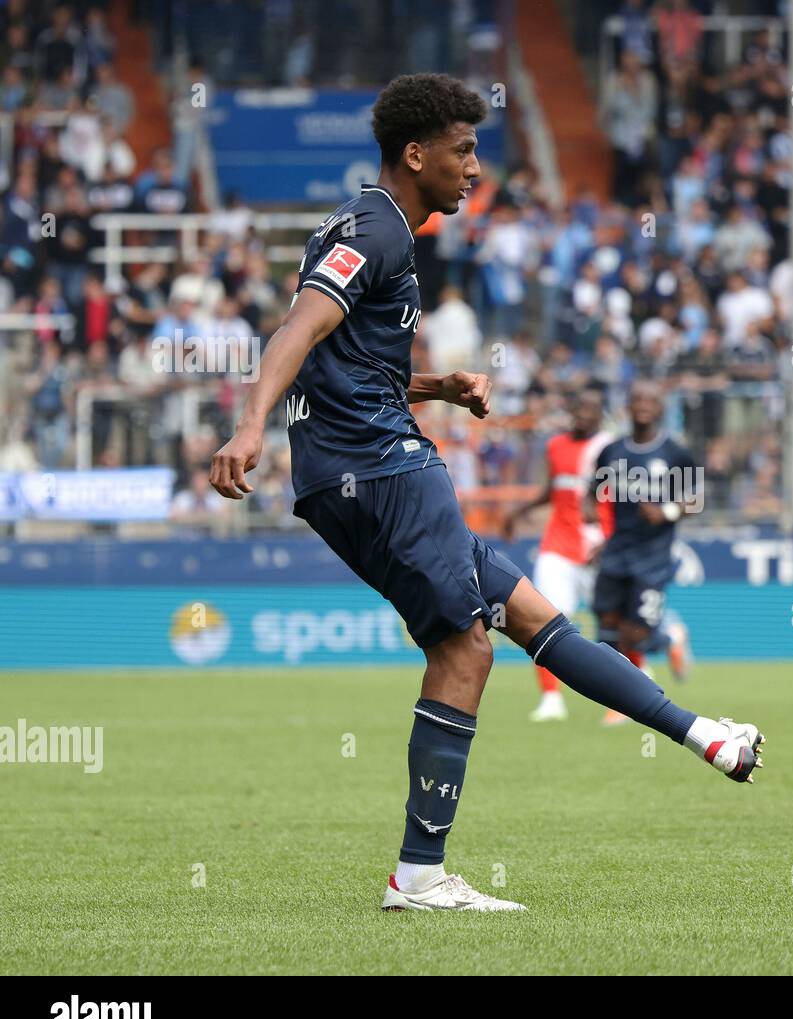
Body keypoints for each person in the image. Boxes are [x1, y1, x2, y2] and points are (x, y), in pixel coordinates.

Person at [209, 74, 765, 915]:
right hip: (381, 466)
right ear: (415, 152)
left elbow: (349, 358)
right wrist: (250, 424)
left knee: (530, 613)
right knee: (466, 649)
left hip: (358, 461)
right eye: (465, 151)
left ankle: (701, 733)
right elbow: (301, 328)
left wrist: (434, 386)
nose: (475, 168)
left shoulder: (376, 228)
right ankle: (420, 875)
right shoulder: (377, 229)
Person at [503, 389, 612, 723]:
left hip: (598, 546)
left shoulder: (609, 449)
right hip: (557, 546)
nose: (583, 414)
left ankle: (664, 643)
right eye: (578, 407)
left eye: (591, 409)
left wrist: (612, 539)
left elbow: (621, 499)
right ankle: (551, 699)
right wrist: (520, 512)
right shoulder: (556, 446)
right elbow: (553, 490)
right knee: (542, 620)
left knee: (616, 623)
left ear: (601, 414)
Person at [590, 382, 696, 726]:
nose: (643, 406)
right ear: (628, 406)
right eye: (636, 399)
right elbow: (594, 493)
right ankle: (624, 695)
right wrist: (592, 526)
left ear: (661, 408)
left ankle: (667, 640)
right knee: (606, 622)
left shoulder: (675, 452)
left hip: (654, 554)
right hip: (617, 550)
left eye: (651, 400)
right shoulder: (612, 451)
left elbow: (695, 500)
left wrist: (665, 512)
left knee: (635, 633)